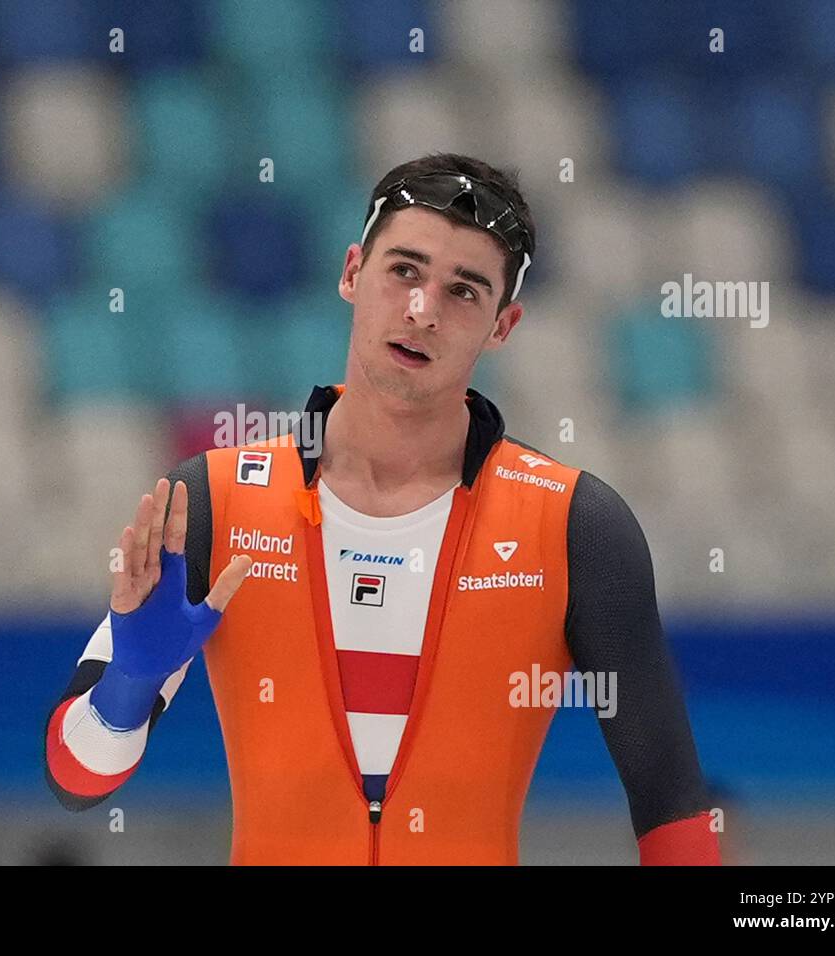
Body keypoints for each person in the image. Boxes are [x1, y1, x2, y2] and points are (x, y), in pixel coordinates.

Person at [44, 152, 721, 865]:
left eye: (463, 292)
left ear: (503, 325)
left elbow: (673, 808)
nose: (423, 310)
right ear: (350, 273)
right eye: (404, 270)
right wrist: (131, 680)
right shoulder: (215, 500)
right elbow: (75, 778)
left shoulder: (575, 525)